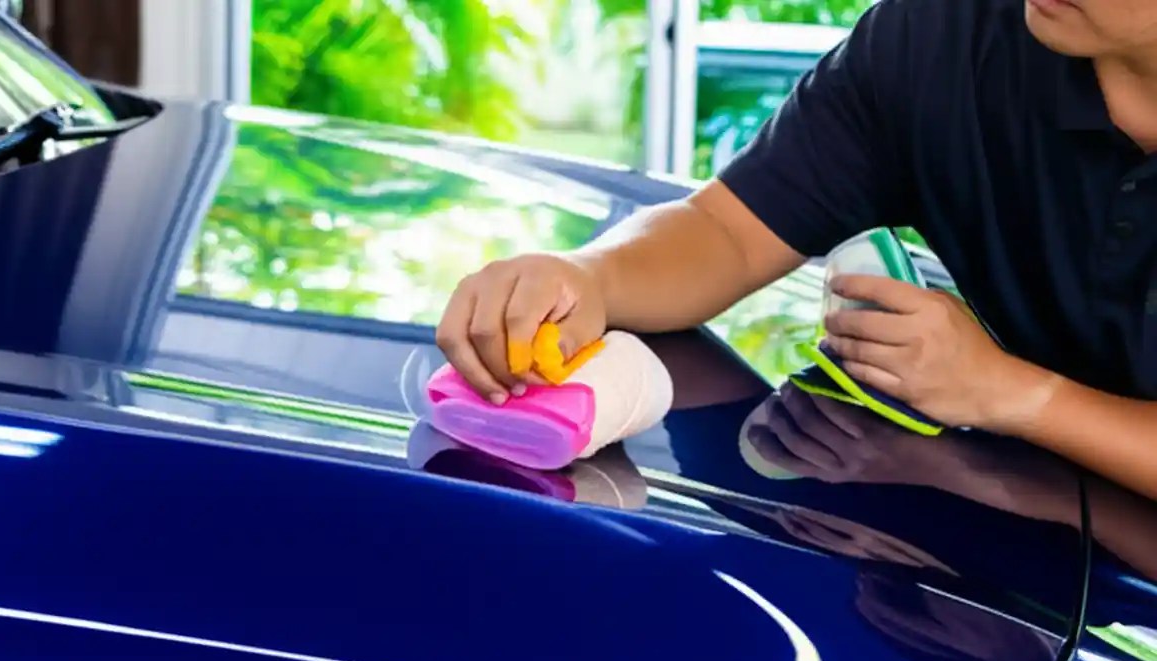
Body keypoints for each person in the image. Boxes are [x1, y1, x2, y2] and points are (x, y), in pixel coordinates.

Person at [435, 0, 1157, 501]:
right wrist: (587, 277)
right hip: (1031, 560)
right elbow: (727, 229)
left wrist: (1013, 394)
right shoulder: (941, 39)